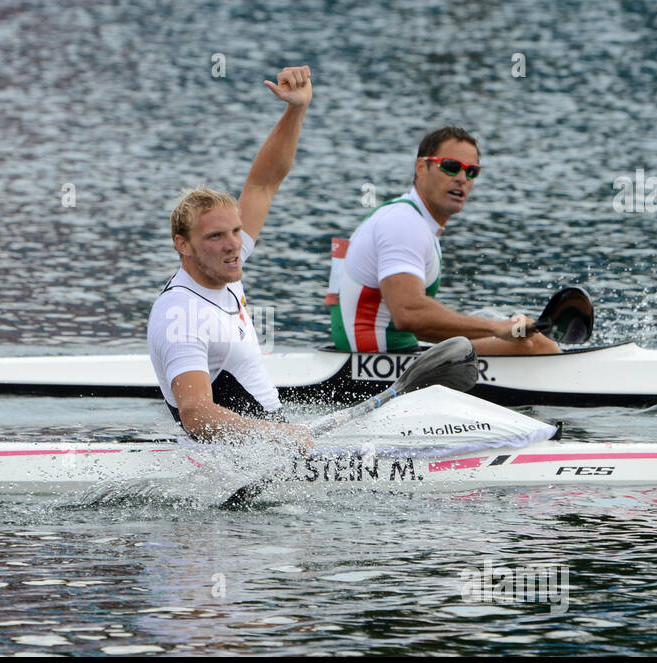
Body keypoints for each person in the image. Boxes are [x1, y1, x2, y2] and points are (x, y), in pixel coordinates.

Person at [147, 66, 314, 449]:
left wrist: (296, 110)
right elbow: (195, 414)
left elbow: (263, 183)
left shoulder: (225, 268)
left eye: (236, 231)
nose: (233, 244)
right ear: (183, 245)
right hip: (235, 464)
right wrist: (282, 437)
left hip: (268, 442)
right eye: (216, 236)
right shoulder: (181, 315)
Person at [328, 126, 560, 355]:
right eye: (450, 167)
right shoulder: (403, 223)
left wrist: (498, 329)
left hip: (394, 355)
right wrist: (496, 328)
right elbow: (409, 315)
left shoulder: (410, 218)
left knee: (523, 336)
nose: (462, 178)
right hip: (377, 364)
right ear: (421, 167)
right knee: (531, 345)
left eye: (471, 172)